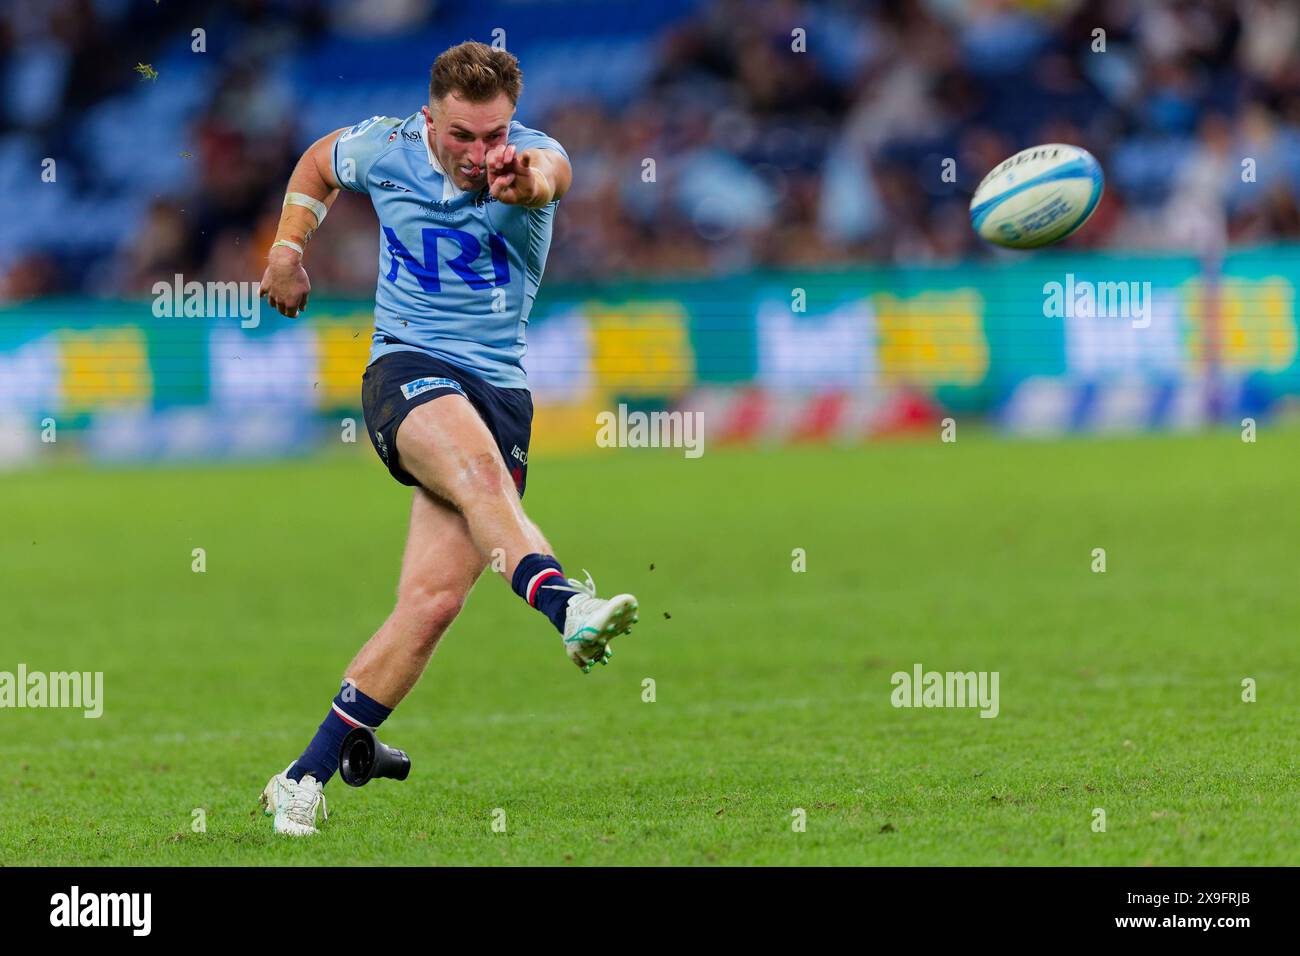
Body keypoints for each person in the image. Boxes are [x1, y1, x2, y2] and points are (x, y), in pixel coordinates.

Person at [255, 41, 638, 836]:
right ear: (431, 120)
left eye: (493, 134)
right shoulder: (386, 147)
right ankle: (569, 609)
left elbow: (549, 178)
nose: (479, 153)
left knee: (430, 606)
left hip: (500, 392)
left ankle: (302, 777)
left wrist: (523, 178)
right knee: (480, 480)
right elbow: (316, 166)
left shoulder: (531, 163)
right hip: (407, 370)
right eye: (462, 136)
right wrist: (289, 248)